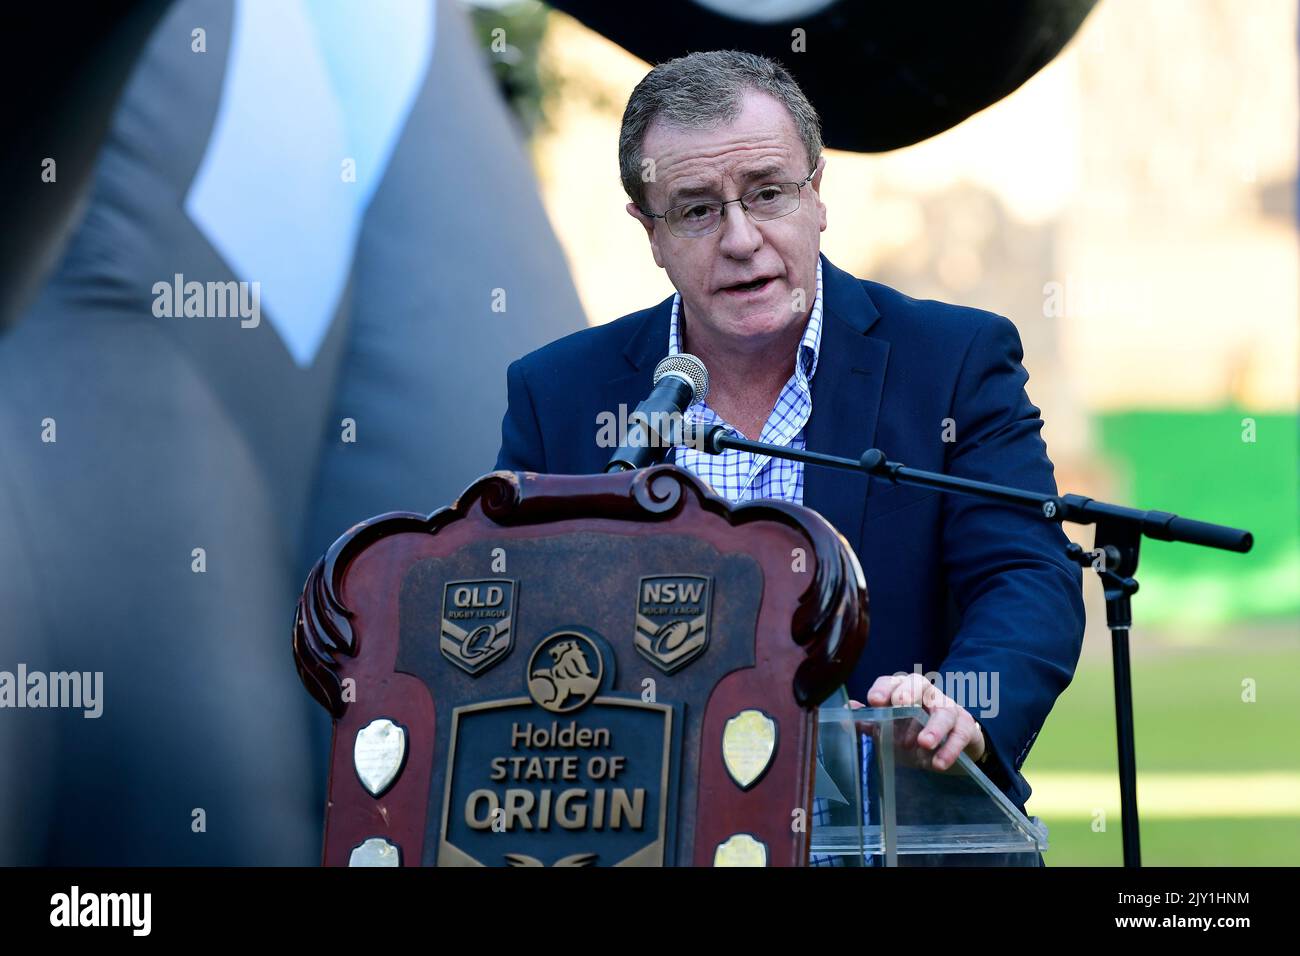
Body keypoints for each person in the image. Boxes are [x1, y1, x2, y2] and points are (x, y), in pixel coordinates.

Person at [495, 50, 1085, 847]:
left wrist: (963, 709)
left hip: (892, 840)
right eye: (697, 210)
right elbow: (514, 616)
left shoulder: (951, 362)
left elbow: (1026, 575)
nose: (741, 240)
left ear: (816, 195)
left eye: (768, 193)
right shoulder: (559, 394)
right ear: (650, 232)